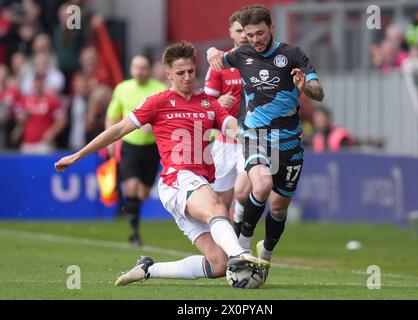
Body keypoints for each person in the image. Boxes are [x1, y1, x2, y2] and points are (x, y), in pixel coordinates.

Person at [54, 41, 270, 286]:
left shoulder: (209, 103)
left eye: (191, 71)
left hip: (197, 183)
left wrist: (240, 134)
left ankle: (149, 269)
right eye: (180, 73)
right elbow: (118, 130)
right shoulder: (158, 102)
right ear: (167, 74)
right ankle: (241, 254)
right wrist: (77, 155)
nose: (187, 77)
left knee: (218, 264)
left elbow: (229, 125)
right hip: (177, 180)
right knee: (218, 209)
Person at [207, 4, 324, 262]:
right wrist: (211, 51)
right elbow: (218, 59)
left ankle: (267, 253)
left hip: (290, 143)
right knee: (261, 186)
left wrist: (306, 87)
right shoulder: (241, 54)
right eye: (250, 35)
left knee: (279, 207)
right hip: (255, 136)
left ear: (271, 28)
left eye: (260, 33)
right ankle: (243, 248)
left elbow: (319, 91)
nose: (255, 40)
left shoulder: (292, 55)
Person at [105, 54, 167, 246]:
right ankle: (134, 232)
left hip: (152, 147)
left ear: (149, 70)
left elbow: (168, 117)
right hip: (129, 144)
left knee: (144, 193)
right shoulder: (122, 89)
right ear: (131, 69)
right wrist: (110, 141)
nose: (139, 71)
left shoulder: (160, 89)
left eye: (143, 67)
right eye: (136, 67)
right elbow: (112, 116)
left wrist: (155, 124)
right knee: (131, 186)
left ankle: (134, 214)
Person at [204, 10, 252, 236]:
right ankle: (226, 237)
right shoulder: (219, 63)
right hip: (225, 140)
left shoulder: (263, 62)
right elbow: (203, 104)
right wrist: (217, 101)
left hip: (254, 137)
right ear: (230, 32)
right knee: (221, 197)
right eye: (239, 30)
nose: (244, 35)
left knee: (243, 192)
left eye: (247, 30)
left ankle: (240, 230)